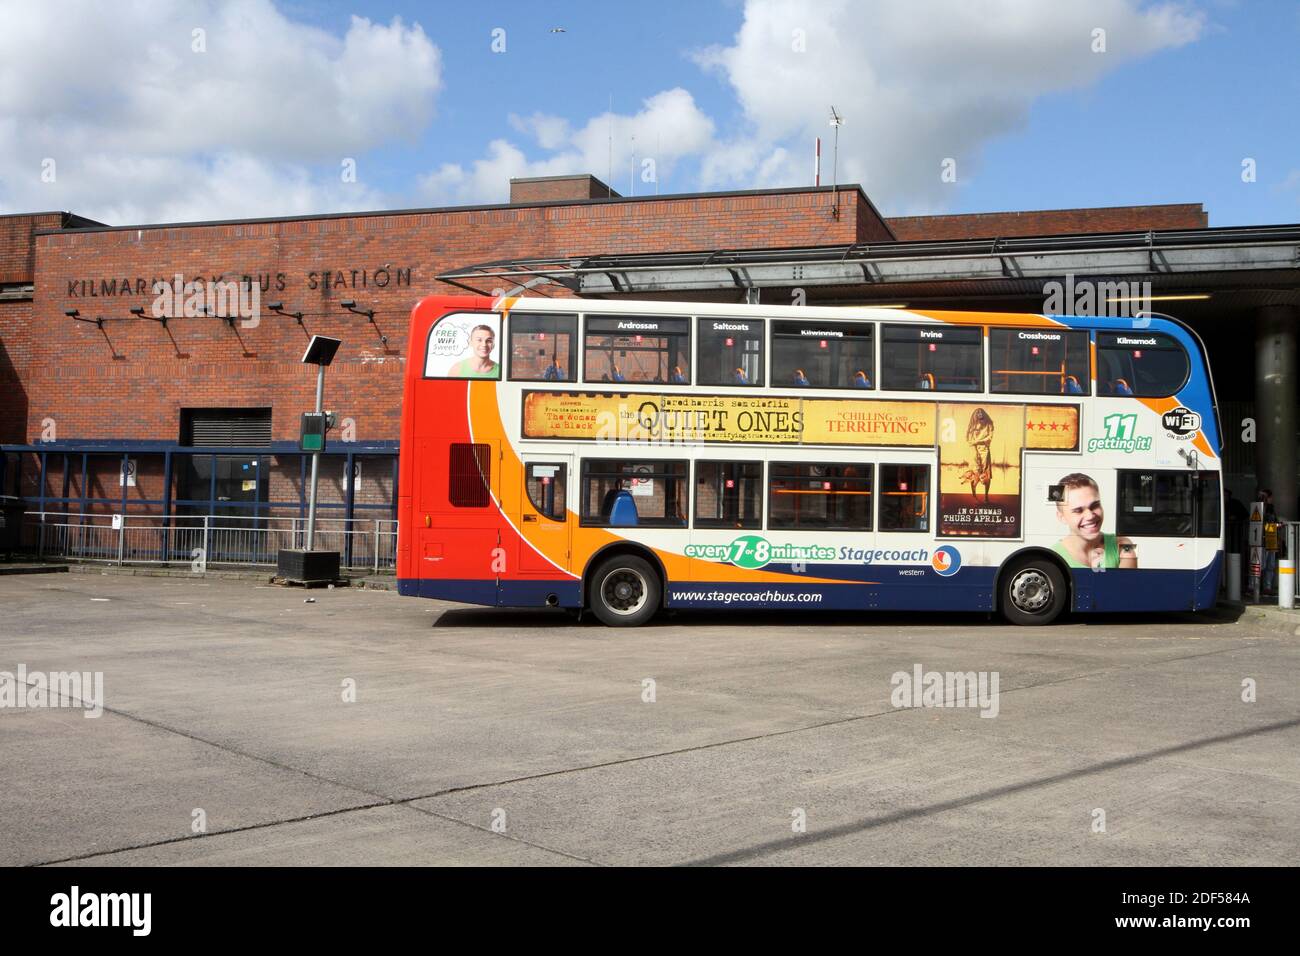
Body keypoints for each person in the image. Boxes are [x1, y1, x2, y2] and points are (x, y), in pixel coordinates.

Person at [1053, 473, 1137, 569]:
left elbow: (1128, 583)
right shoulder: (1053, 558)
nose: (1090, 516)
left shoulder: (1125, 545)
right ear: (1061, 517)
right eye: (1078, 510)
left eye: (1095, 505)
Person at [966, 408, 994, 504]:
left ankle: (986, 497)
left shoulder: (989, 424)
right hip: (973, 450)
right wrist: (974, 446)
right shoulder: (972, 425)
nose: (979, 414)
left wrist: (978, 441)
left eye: (981, 412)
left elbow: (989, 437)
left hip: (985, 450)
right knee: (975, 473)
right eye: (977, 413)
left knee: (986, 474)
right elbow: (969, 440)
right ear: (975, 415)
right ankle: (974, 495)